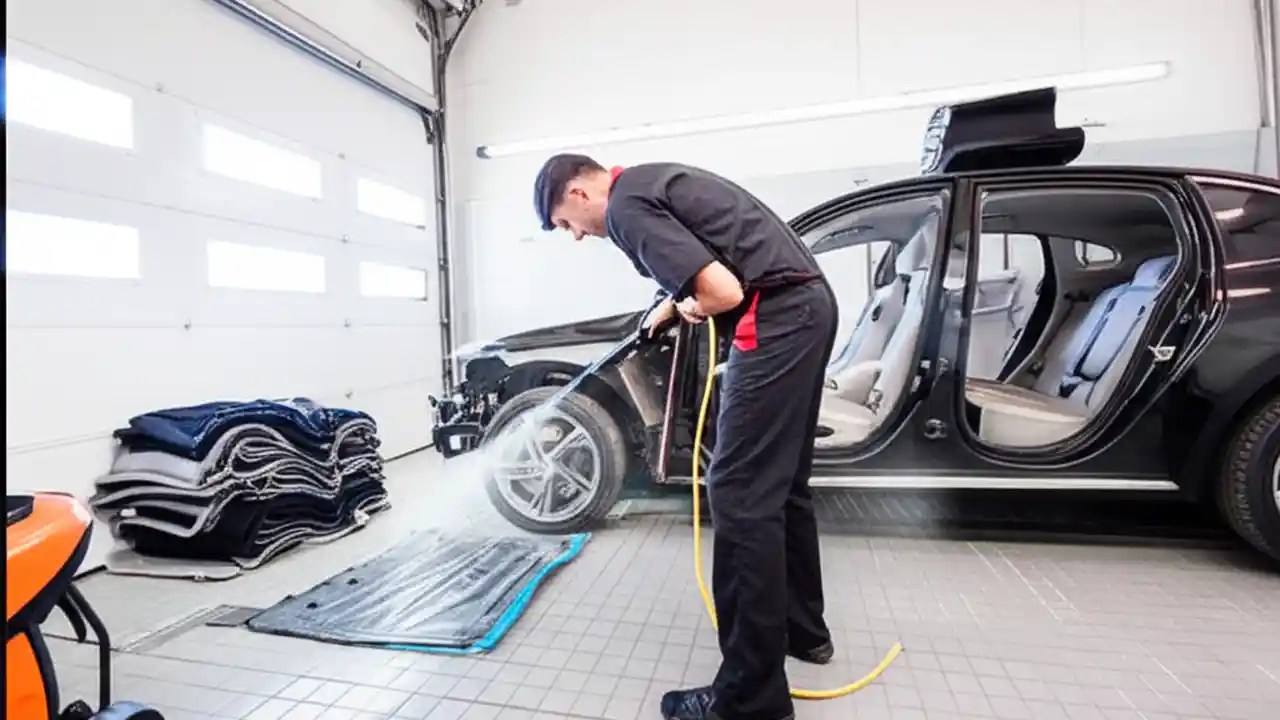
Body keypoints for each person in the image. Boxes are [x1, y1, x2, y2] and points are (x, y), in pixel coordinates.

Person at [533, 154, 840, 720]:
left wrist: (694, 303)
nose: (575, 236)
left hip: (774, 320)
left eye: (566, 224)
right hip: (809, 307)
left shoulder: (626, 209)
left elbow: (721, 291)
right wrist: (671, 307)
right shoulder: (654, 180)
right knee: (783, 485)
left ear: (578, 193)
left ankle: (749, 701)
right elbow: (718, 266)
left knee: (739, 494)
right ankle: (804, 632)